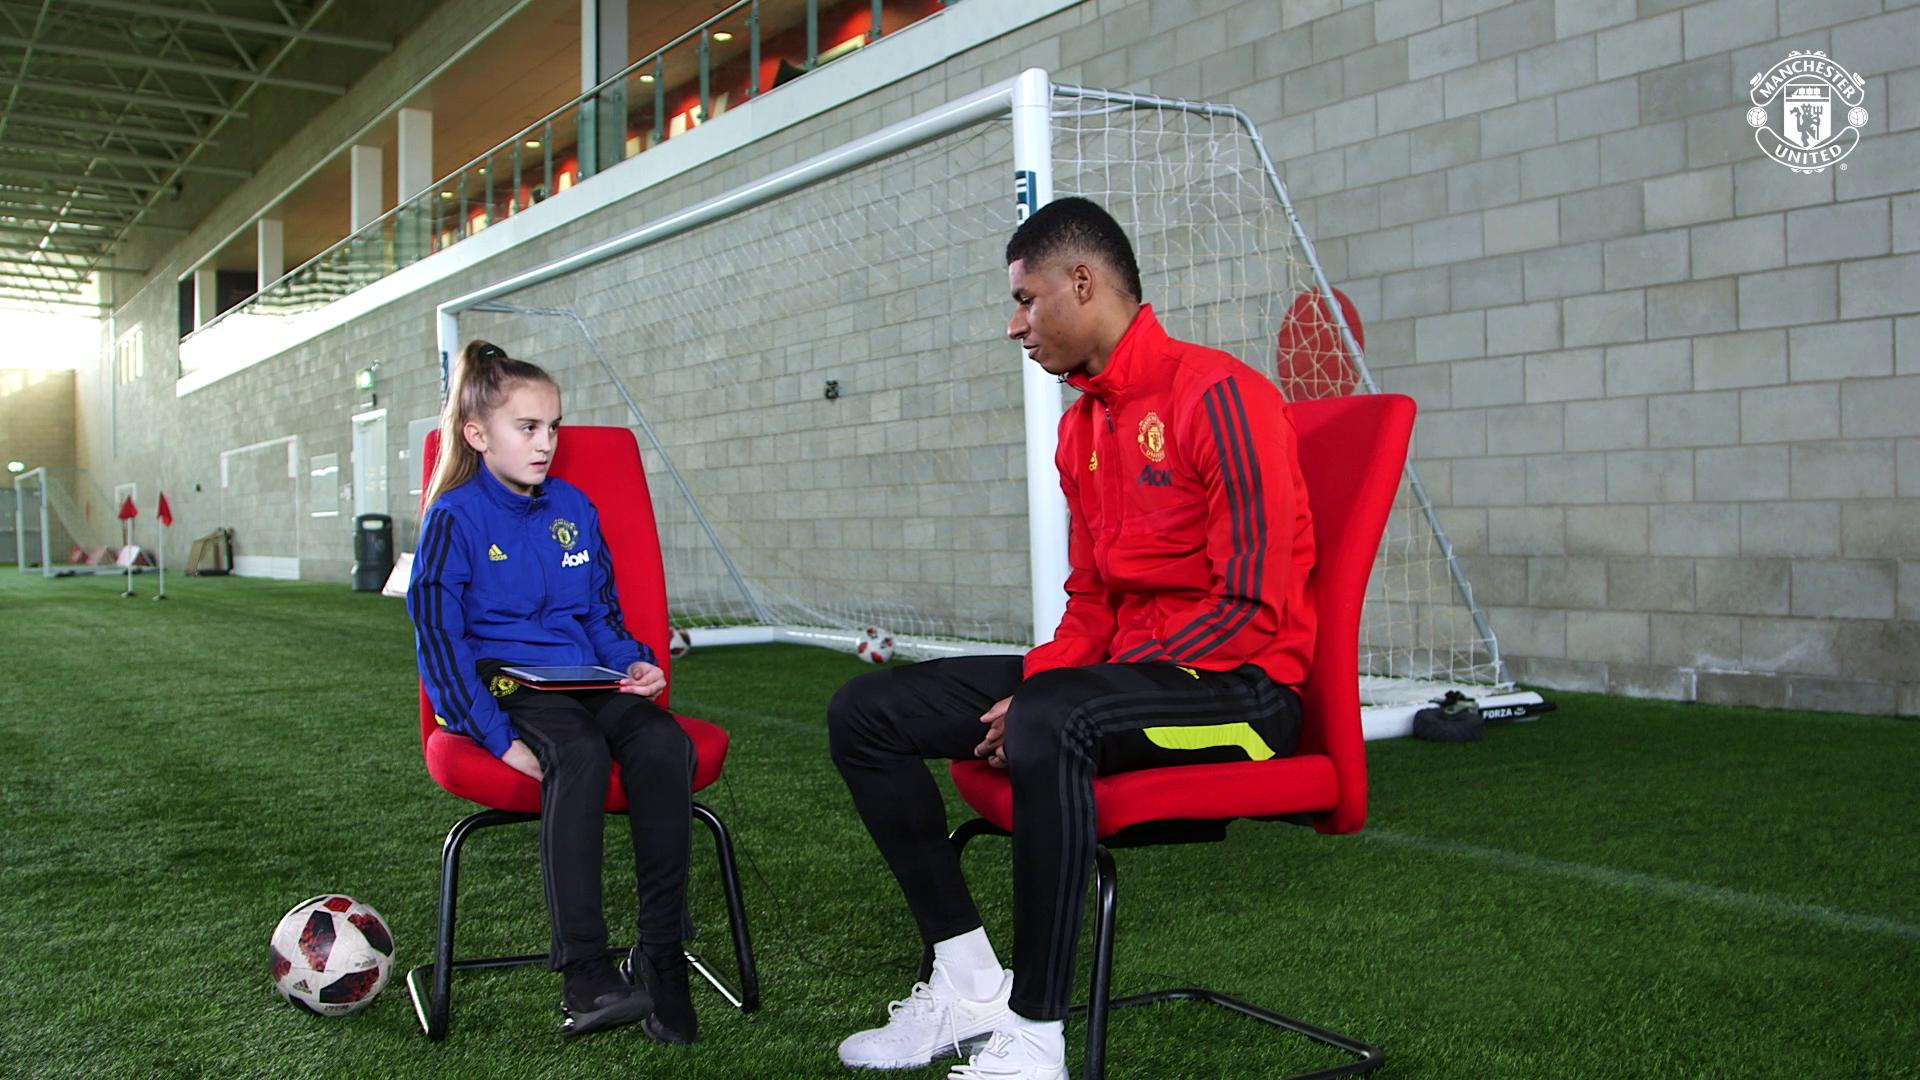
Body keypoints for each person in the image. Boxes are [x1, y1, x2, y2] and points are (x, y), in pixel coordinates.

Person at [828, 198, 1316, 1080]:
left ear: (1082, 284)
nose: (1014, 324)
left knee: (1054, 716)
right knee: (868, 711)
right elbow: (1089, 598)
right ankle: (970, 983)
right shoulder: (1081, 427)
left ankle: (1035, 1038)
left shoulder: (1222, 395)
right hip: (1114, 680)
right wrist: (1044, 680)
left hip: (1244, 695)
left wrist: (1055, 696)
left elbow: (1253, 606)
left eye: (1025, 299)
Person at [408, 340, 698, 1043]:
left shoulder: (574, 505)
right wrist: (497, 737)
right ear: (479, 436)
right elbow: (439, 640)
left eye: (553, 427)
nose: (545, 444)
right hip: (508, 687)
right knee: (581, 751)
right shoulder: (454, 517)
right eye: (528, 428)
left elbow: (598, 614)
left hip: (586, 678)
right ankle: (587, 975)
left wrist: (633, 665)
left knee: (664, 743)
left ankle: (659, 958)